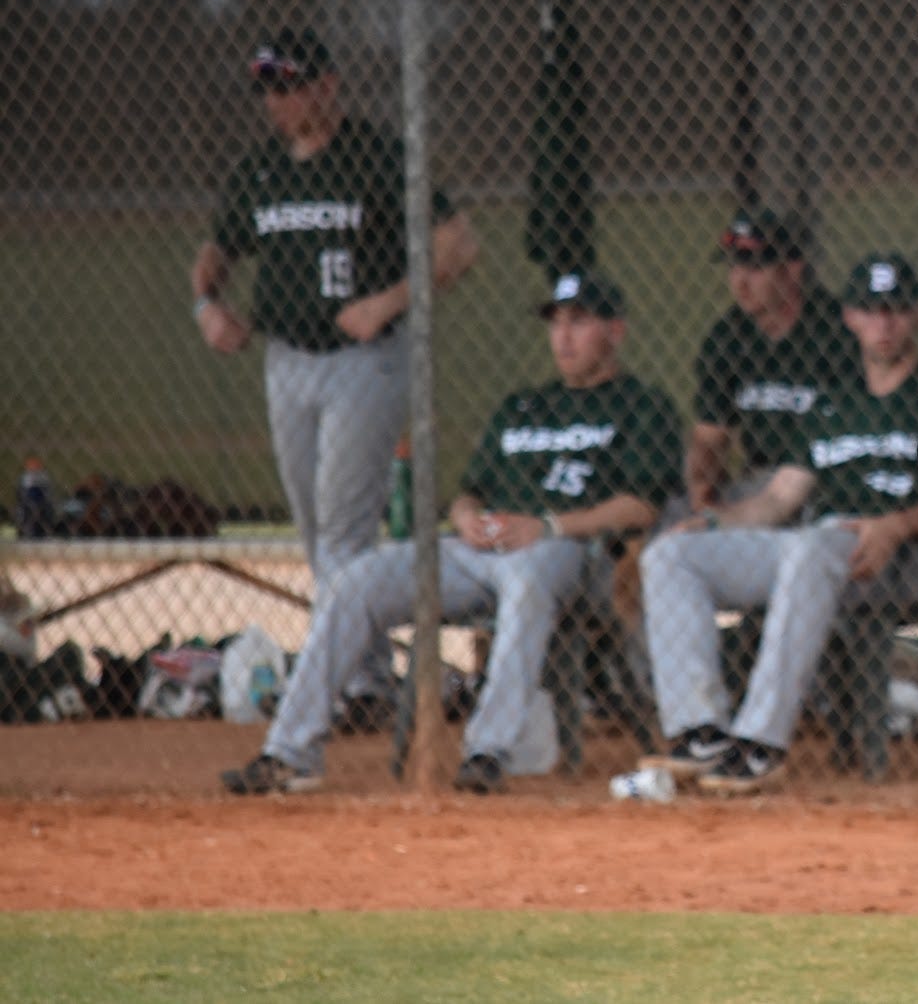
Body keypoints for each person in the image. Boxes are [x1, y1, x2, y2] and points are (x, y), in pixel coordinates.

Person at [221, 271, 682, 795]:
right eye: (556, 323)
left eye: (580, 322)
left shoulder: (641, 405)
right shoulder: (523, 406)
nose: (564, 337)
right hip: (480, 549)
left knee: (528, 580)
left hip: (567, 549)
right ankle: (288, 752)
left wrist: (548, 525)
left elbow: (640, 506)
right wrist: (465, 520)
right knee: (356, 580)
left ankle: (486, 752)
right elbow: (470, 493)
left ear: (616, 331)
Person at [191, 29, 479, 719]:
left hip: (363, 363)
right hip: (287, 360)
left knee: (346, 528)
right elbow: (214, 254)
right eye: (270, 89)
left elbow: (458, 242)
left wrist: (388, 301)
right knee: (316, 530)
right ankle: (365, 676)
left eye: (291, 86)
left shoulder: (375, 155)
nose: (279, 102)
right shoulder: (261, 170)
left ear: (328, 85)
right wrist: (208, 306)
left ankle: (347, 685)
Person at [638, 252, 918, 795]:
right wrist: (715, 523)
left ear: (916, 316)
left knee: (810, 546)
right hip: (813, 551)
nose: (883, 323)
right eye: (870, 310)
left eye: (895, 310)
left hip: (900, 557)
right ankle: (698, 730)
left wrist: (895, 526)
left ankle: (761, 740)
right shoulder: (832, 404)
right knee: (670, 556)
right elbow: (778, 499)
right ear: (850, 318)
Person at [684, 207, 862, 513]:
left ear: (793, 270)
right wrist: (702, 486)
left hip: (822, 485)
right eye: (735, 266)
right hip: (756, 481)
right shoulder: (728, 336)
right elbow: (709, 437)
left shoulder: (837, 332)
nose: (741, 281)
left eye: (755, 267)